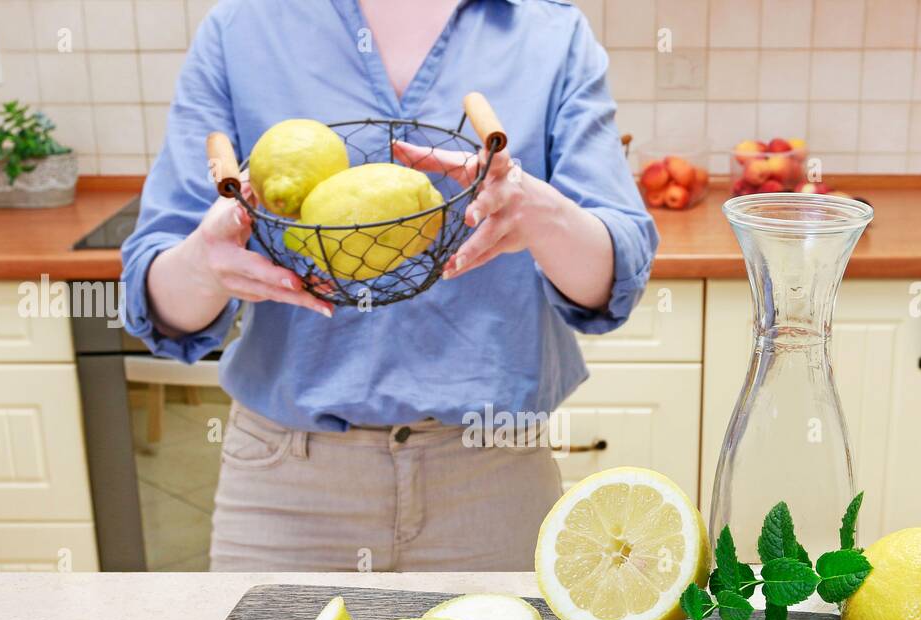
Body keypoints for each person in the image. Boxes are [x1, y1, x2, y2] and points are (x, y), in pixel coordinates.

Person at [120, 0, 658, 571]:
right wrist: (203, 264)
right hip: (285, 492)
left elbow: (614, 278)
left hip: (495, 480)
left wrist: (541, 214)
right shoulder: (240, 27)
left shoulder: (548, 30)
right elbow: (158, 301)